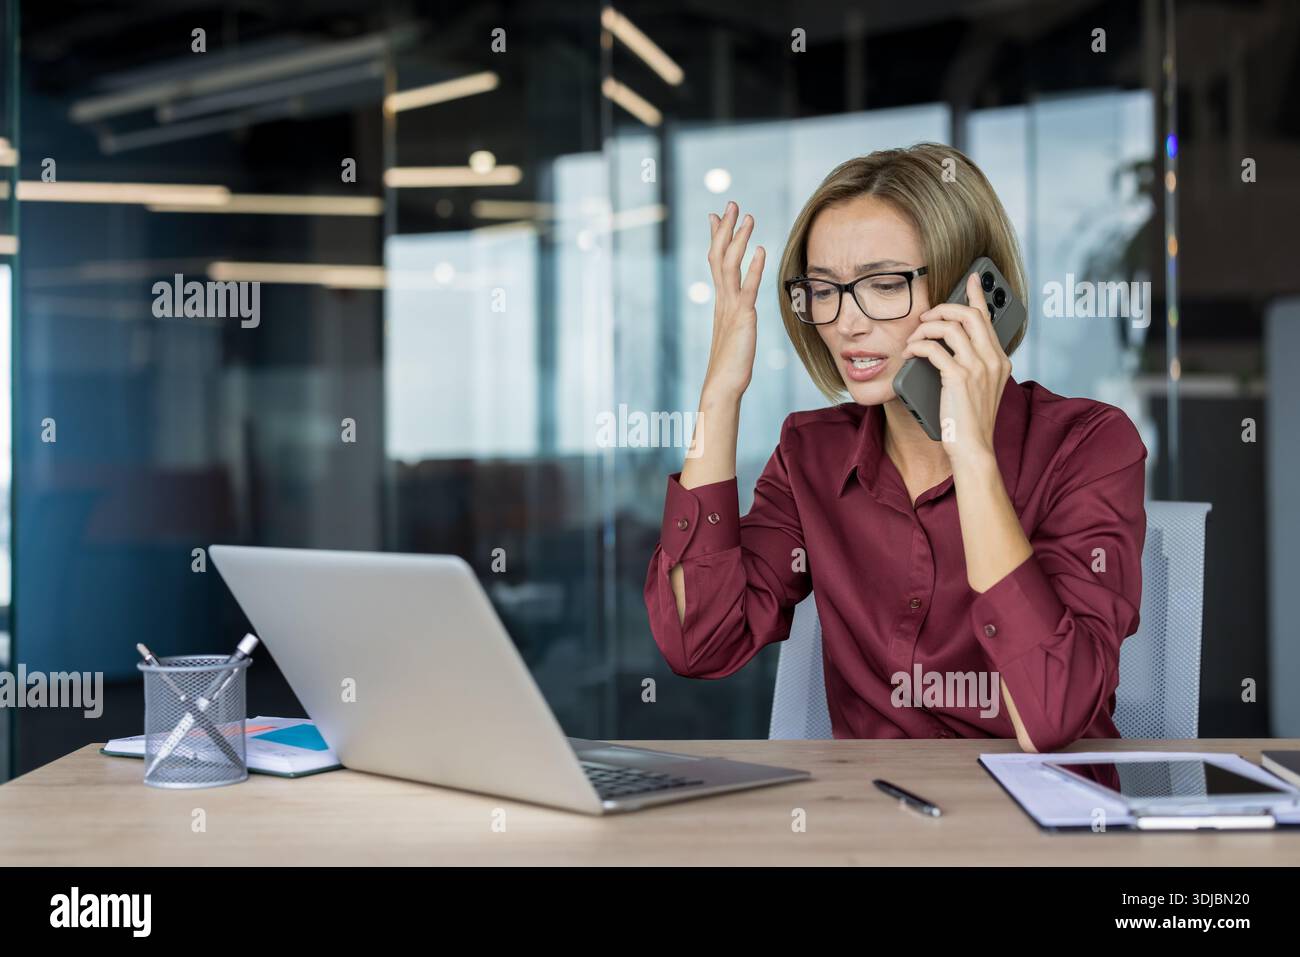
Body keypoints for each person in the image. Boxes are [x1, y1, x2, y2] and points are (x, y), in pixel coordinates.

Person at [643, 143, 1147, 752]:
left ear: (972, 295)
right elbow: (700, 642)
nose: (846, 323)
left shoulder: (1088, 445)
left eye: (883, 285)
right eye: (823, 291)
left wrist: (973, 457)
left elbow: (1054, 716)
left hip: (1044, 831)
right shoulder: (811, 455)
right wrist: (720, 393)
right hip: (871, 827)